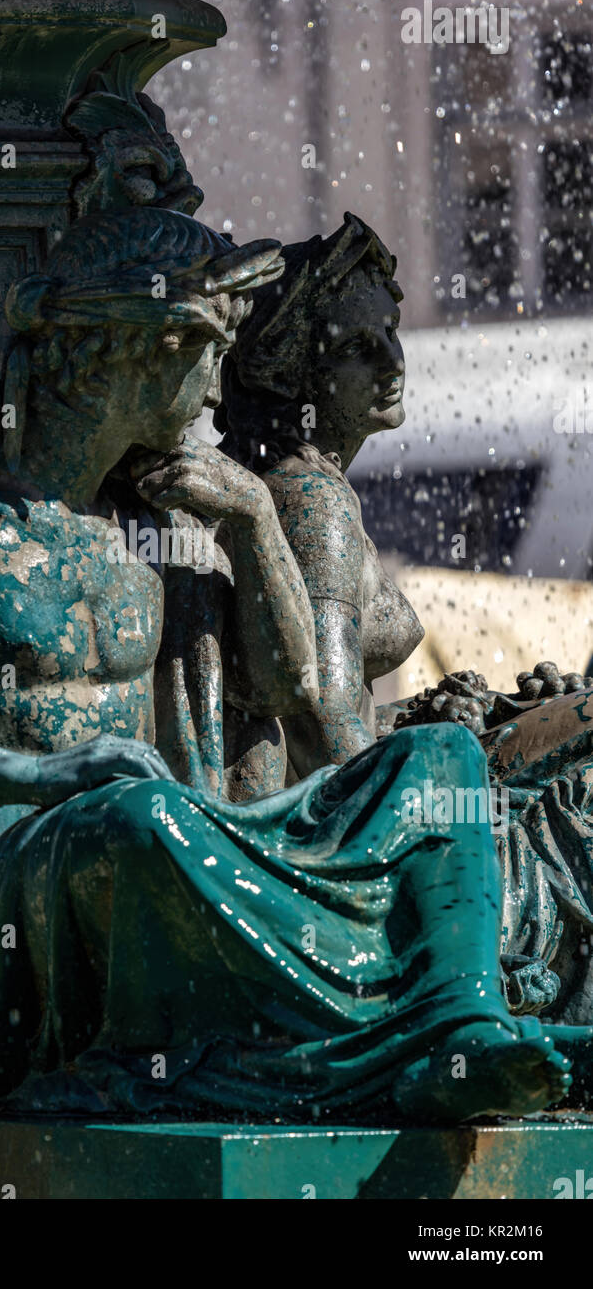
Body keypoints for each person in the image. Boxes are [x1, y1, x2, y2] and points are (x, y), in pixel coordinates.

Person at [0, 206, 576, 1122]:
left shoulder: (162, 521)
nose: (220, 392)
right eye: (211, 356)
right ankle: (373, 1040)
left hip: (157, 849)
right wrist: (34, 776)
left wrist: (253, 522)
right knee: (139, 822)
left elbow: (294, 694)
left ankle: (459, 1025)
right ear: (139, 351)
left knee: (439, 765)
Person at [220, 210, 593, 1023]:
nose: (391, 361)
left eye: (390, 333)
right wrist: (443, 769)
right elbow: (319, 713)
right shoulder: (312, 499)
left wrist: (451, 718)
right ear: (294, 372)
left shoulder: (302, 485)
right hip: (345, 848)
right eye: (357, 348)